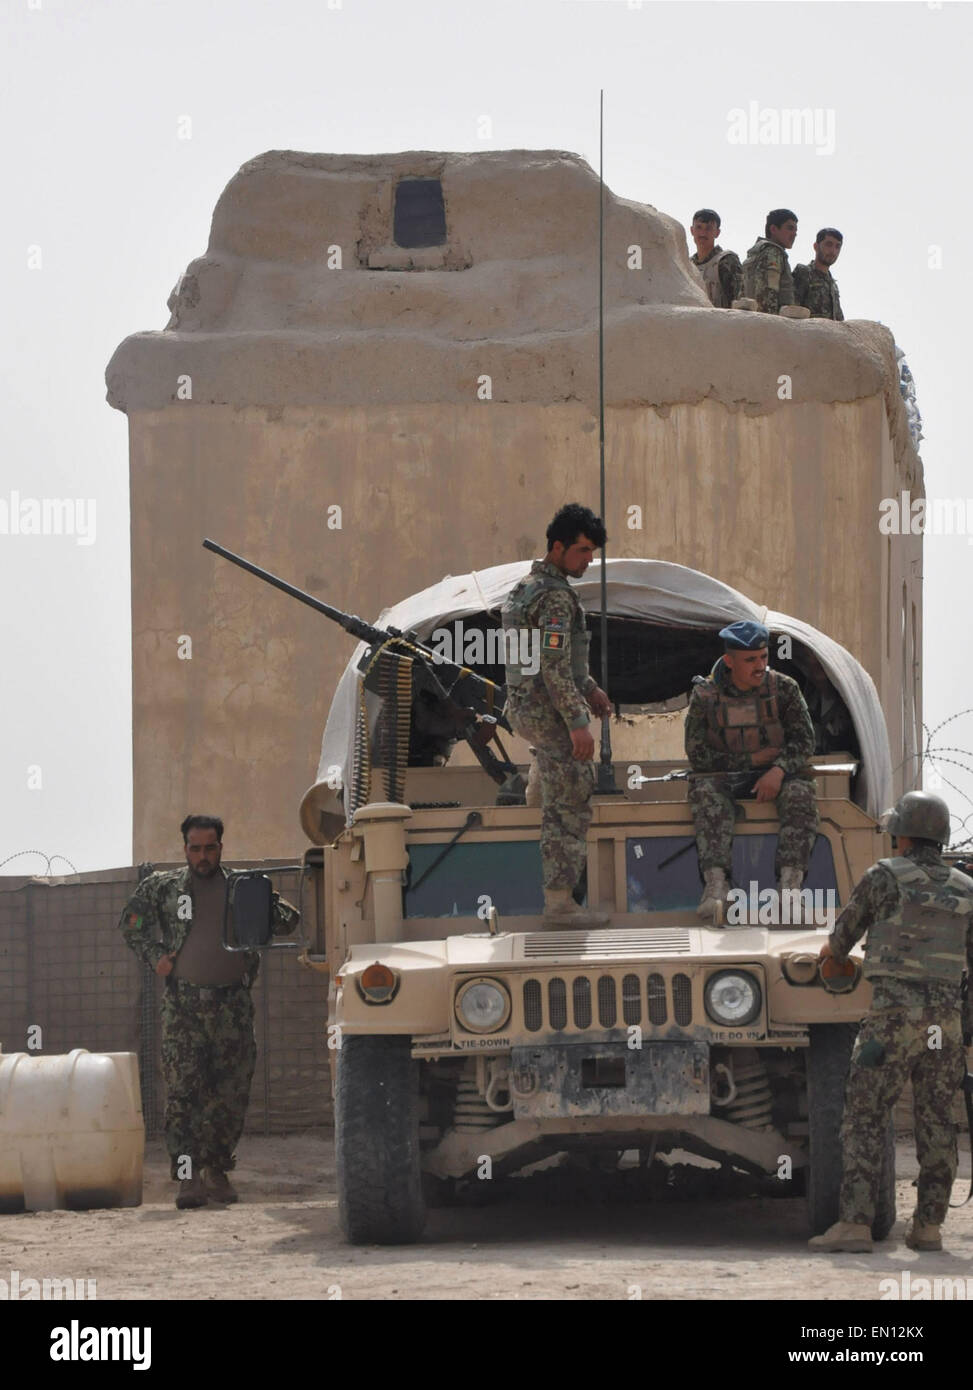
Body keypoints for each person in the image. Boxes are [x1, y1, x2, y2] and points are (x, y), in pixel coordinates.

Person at [809, 792, 973, 1254]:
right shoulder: (965, 889)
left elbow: (842, 939)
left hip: (890, 1022)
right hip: (945, 1025)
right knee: (938, 1124)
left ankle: (856, 1225)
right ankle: (928, 1228)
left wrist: (829, 957)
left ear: (902, 834)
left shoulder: (883, 877)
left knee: (864, 1117)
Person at [120, 814, 299, 1209]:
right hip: (184, 1008)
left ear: (222, 847)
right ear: (185, 849)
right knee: (184, 1095)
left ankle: (216, 1172)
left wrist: (260, 906)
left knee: (230, 1093)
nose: (203, 856)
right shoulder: (163, 888)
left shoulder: (241, 886)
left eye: (210, 848)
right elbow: (130, 922)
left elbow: (289, 920)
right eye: (196, 849)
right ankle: (187, 1179)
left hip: (232, 1006)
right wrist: (154, 956)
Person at [502, 504, 612, 927]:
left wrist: (590, 689)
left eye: (592, 552)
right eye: (583, 551)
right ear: (557, 547)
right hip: (547, 711)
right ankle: (560, 902)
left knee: (554, 772)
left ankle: (540, 788)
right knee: (572, 795)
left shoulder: (524, 589)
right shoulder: (555, 598)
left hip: (524, 707)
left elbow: (550, 660)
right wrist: (578, 723)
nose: (588, 560)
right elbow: (552, 667)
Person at [684, 620, 818, 923]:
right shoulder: (705, 696)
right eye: (750, 660)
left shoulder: (784, 689)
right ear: (729, 661)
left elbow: (805, 741)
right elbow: (698, 754)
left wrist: (778, 770)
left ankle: (790, 889)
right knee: (705, 792)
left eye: (763, 657)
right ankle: (717, 886)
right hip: (727, 778)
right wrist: (751, 759)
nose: (760, 666)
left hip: (776, 776)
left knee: (801, 793)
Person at [741, 209, 798, 315]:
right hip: (769, 323)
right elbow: (767, 295)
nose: (794, 234)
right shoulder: (773, 252)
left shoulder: (758, 252)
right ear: (773, 229)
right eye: (790, 228)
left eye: (795, 230)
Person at [688, 208, 742, 309]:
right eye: (699, 227)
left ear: (717, 233)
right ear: (692, 230)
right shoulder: (687, 265)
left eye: (708, 228)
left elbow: (738, 300)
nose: (703, 233)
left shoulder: (727, 261)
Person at [793, 227, 845, 321]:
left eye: (837, 247)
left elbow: (839, 319)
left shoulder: (832, 284)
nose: (833, 251)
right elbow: (792, 309)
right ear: (816, 246)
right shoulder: (804, 272)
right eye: (829, 245)